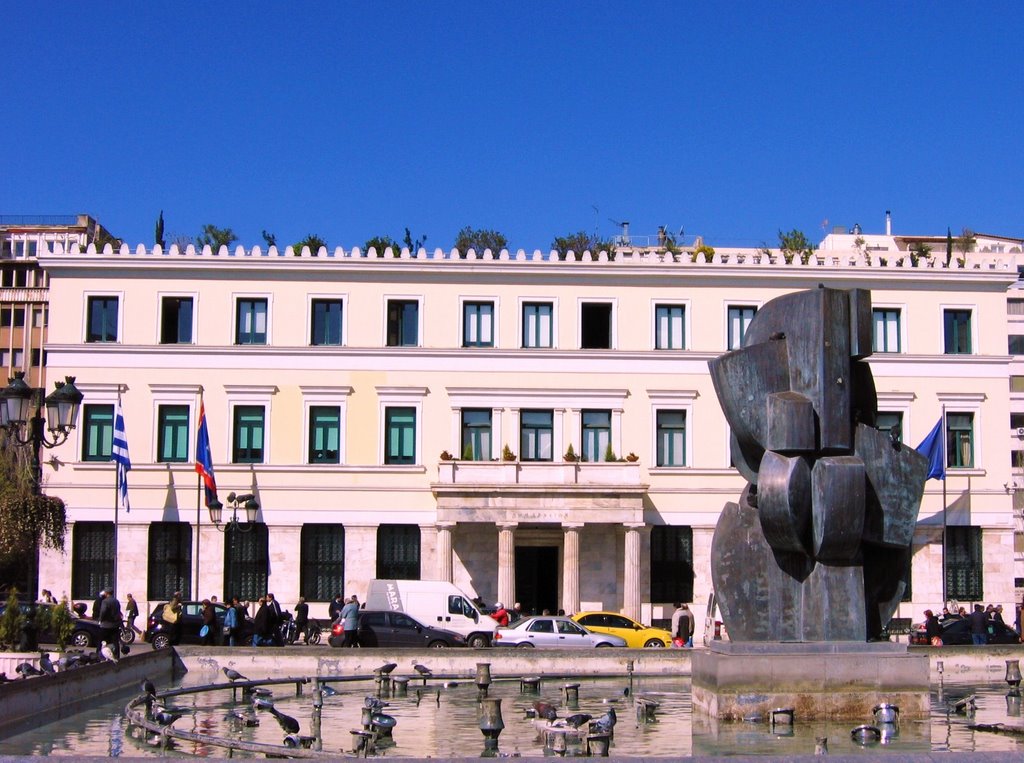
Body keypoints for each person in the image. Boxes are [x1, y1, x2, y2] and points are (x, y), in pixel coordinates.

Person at [98, 588, 123, 659]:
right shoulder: (116, 601)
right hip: (115, 624)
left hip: (106, 625)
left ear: (106, 593)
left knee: (102, 641)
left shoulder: (105, 601)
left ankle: (101, 656)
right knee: (115, 641)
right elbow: (118, 612)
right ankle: (116, 656)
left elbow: (103, 611)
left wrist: (100, 619)